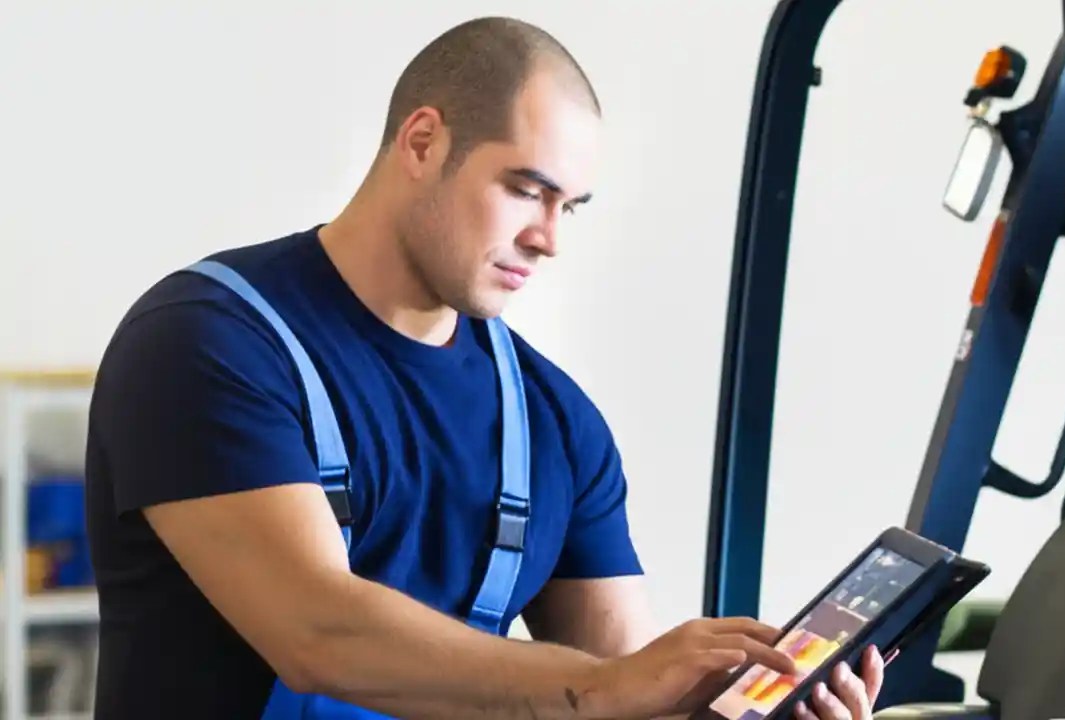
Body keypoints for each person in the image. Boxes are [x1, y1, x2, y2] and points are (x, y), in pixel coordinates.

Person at [83, 15, 886, 720]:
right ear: (423, 142)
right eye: (525, 190)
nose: (549, 238)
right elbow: (319, 633)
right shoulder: (205, 343)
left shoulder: (553, 421)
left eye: (568, 206)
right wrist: (612, 689)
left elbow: (629, 695)